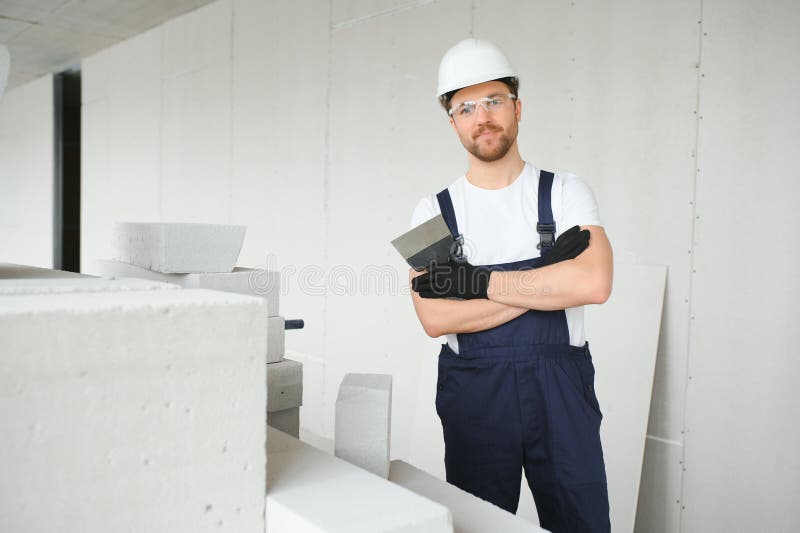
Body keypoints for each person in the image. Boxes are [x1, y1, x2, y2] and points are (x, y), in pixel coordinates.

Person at [409, 38, 613, 533]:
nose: (483, 117)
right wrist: (545, 282)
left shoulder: (567, 191)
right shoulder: (428, 213)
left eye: (494, 101)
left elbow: (593, 281)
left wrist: (473, 282)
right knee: (477, 525)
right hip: (475, 395)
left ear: (518, 108)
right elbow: (435, 318)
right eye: (466, 107)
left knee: (581, 523)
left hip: (560, 393)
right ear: (453, 121)